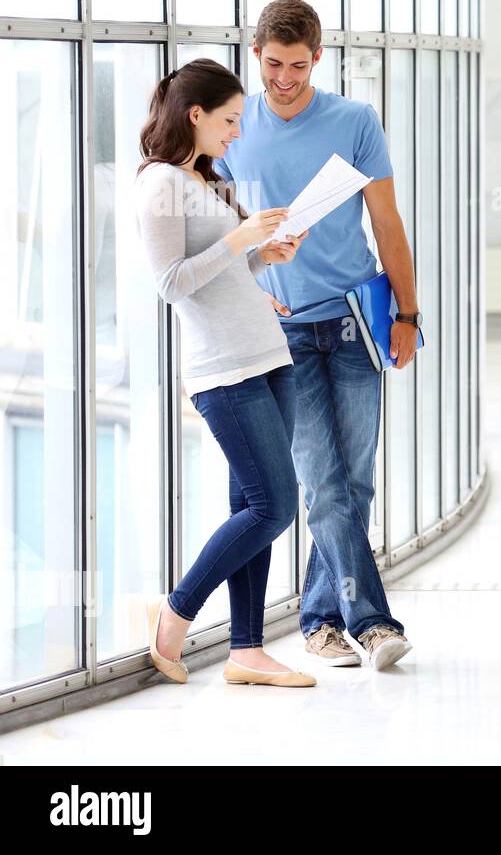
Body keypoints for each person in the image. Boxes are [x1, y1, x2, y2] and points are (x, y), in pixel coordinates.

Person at [214, 0, 416, 669]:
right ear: (256, 55)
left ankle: (318, 622)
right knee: (322, 484)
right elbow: (218, 234)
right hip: (282, 331)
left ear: (318, 58)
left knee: (355, 482)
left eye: (298, 65)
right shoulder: (236, 130)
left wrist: (409, 315)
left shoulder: (355, 121)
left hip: (356, 320)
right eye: (273, 64)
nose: (285, 78)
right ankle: (376, 623)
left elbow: (386, 223)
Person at [136, 58, 314, 688]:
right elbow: (171, 284)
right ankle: (176, 613)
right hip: (223, 369)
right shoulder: (160, 184)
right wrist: (240, 241)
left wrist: (265, 253)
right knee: (274, 506)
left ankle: (247, 650)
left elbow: (226, 276)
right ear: (197, 115)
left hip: (268, 357)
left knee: (251, 502)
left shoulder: (206, 179)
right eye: (231, 120)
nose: (237, 132)